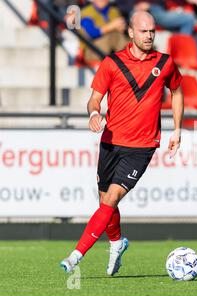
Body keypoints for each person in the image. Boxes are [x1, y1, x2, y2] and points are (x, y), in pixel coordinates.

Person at [60, 10, 184, 276]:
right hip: (111, 141)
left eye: (152, 30)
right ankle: (117, 243)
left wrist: (177, 129)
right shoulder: (112, 63)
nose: (149, 35)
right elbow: (94, 99)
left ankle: (75, 255)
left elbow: (176, 91)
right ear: (131, 32)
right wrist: (94, 113)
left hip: (141, 146)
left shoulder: (165, 62)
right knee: (106, 200)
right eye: (143, 31)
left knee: (111, 198)